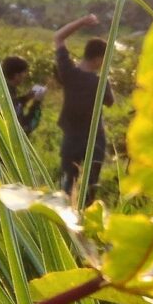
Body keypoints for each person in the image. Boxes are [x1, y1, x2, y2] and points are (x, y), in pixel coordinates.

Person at [53, 12, 114, 199]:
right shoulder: (99, 82)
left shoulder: (68, 72)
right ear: (98, 59)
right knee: (90, 185)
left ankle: (64, 222)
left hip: (71, 138)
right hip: (94, 139)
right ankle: (84, 220)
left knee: (68, 184)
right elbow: (110, 102)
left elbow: (58, 37)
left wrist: (82, 21)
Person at [2, 55, 46, 135]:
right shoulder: (9, 94)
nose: (25, 76)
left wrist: (26, 98)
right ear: (16, 75)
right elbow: (26, 128)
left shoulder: (3, 90)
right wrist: (37, 103)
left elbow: (14, 104)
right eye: (24, 72)